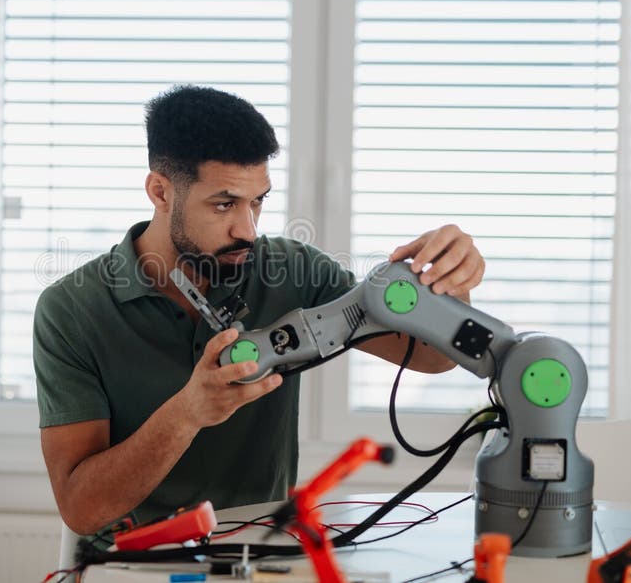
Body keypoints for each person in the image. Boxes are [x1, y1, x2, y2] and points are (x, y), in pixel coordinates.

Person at [33, 85, 486, 537]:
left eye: (258, 201)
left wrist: (449, 282)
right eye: (224, 203)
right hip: (130, 565)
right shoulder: (71, 310)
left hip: (262, 556)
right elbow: (82, 509)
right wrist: (189, 412)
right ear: (160, 191)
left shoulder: (296, 272)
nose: (247, 230)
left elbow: (434, 356)